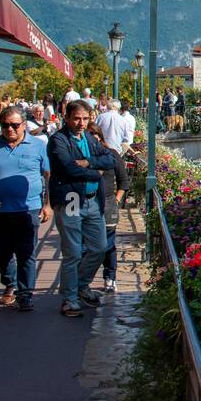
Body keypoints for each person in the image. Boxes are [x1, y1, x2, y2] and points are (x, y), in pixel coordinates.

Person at [0, 106, 52, 312]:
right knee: (1, 253)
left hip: (29, 209)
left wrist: (47, 204)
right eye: (5, 125)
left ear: (24, 125)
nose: (10, 129)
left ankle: (25, 294)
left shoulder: (37, 146)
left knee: (26, 253)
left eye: (15, 125)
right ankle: (10, 282)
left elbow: (48, 176)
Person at [48, 100, 116, 318]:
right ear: (67, 118)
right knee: (73, 252)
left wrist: (87, 163)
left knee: (99, 246)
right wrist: (94, 173)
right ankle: (69, 299)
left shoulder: (88, 138)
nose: (81, 123)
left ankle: (81, 285)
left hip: (91, 200)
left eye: (85, 119)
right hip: (70, 199)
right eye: (76, 118)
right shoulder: (58, 140)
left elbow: (110, 159)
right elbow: (67, 167)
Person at [87, 122, 130, 292]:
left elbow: (123, 180)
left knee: (108, 243)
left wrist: (117, 200)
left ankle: (110, 277)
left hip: (108, 203)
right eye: (88, 136)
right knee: (84, 245)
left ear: (100, 137)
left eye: (94, 135)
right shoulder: (80, 156)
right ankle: (84, 281)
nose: (91, 139)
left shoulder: (111, 154)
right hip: (86, 203)